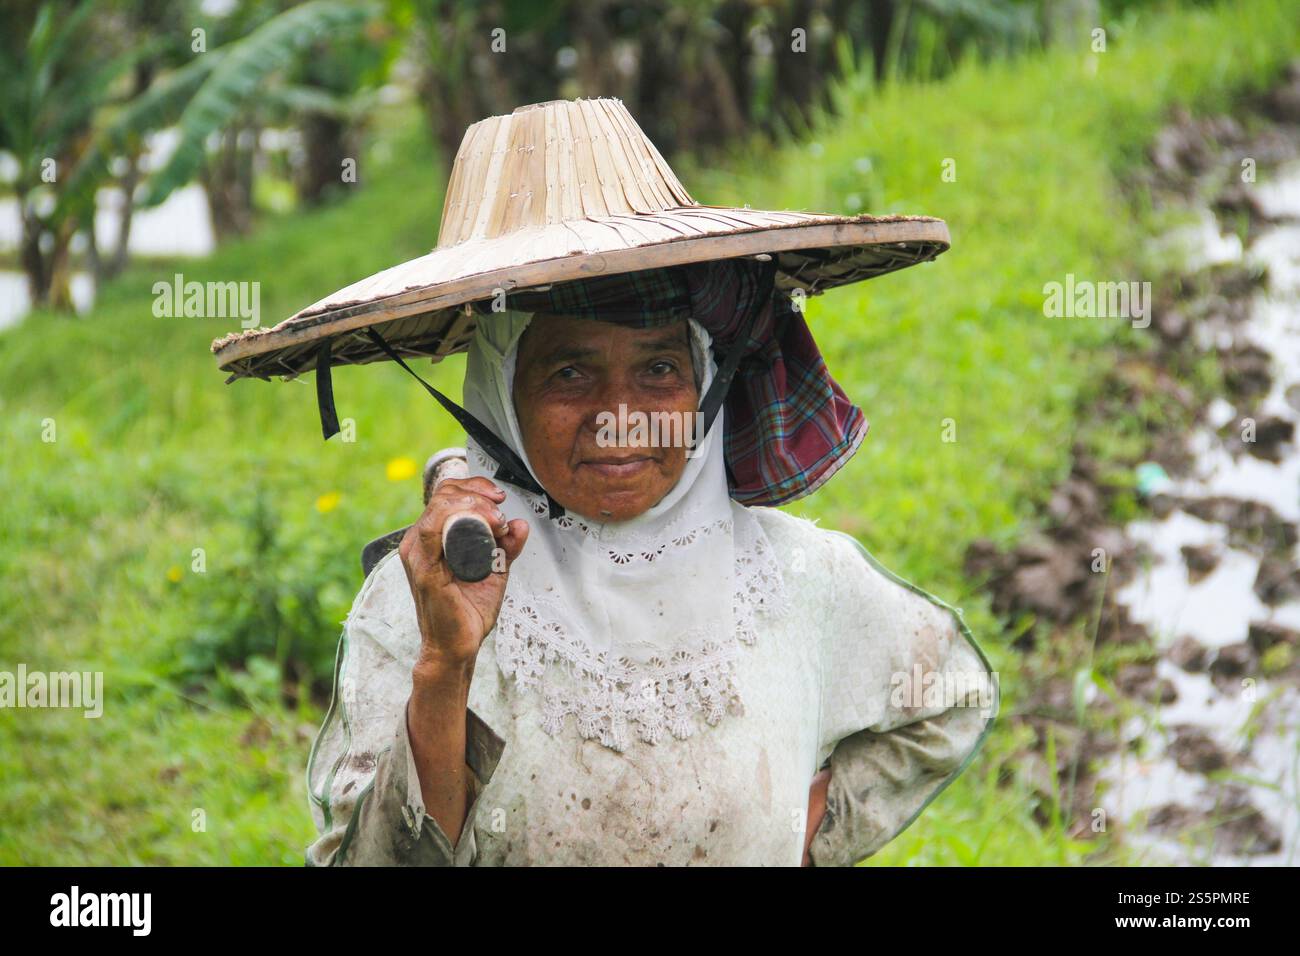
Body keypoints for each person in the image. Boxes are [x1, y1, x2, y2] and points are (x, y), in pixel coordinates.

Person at [211, 97, 998, 866]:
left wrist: (806, 830)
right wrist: (445, 671)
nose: (620, 417)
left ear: (707, 384)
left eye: (659, 369)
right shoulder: (421, 601)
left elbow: (950, 695)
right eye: (569, 371)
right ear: (500, 392)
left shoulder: (799, 580)